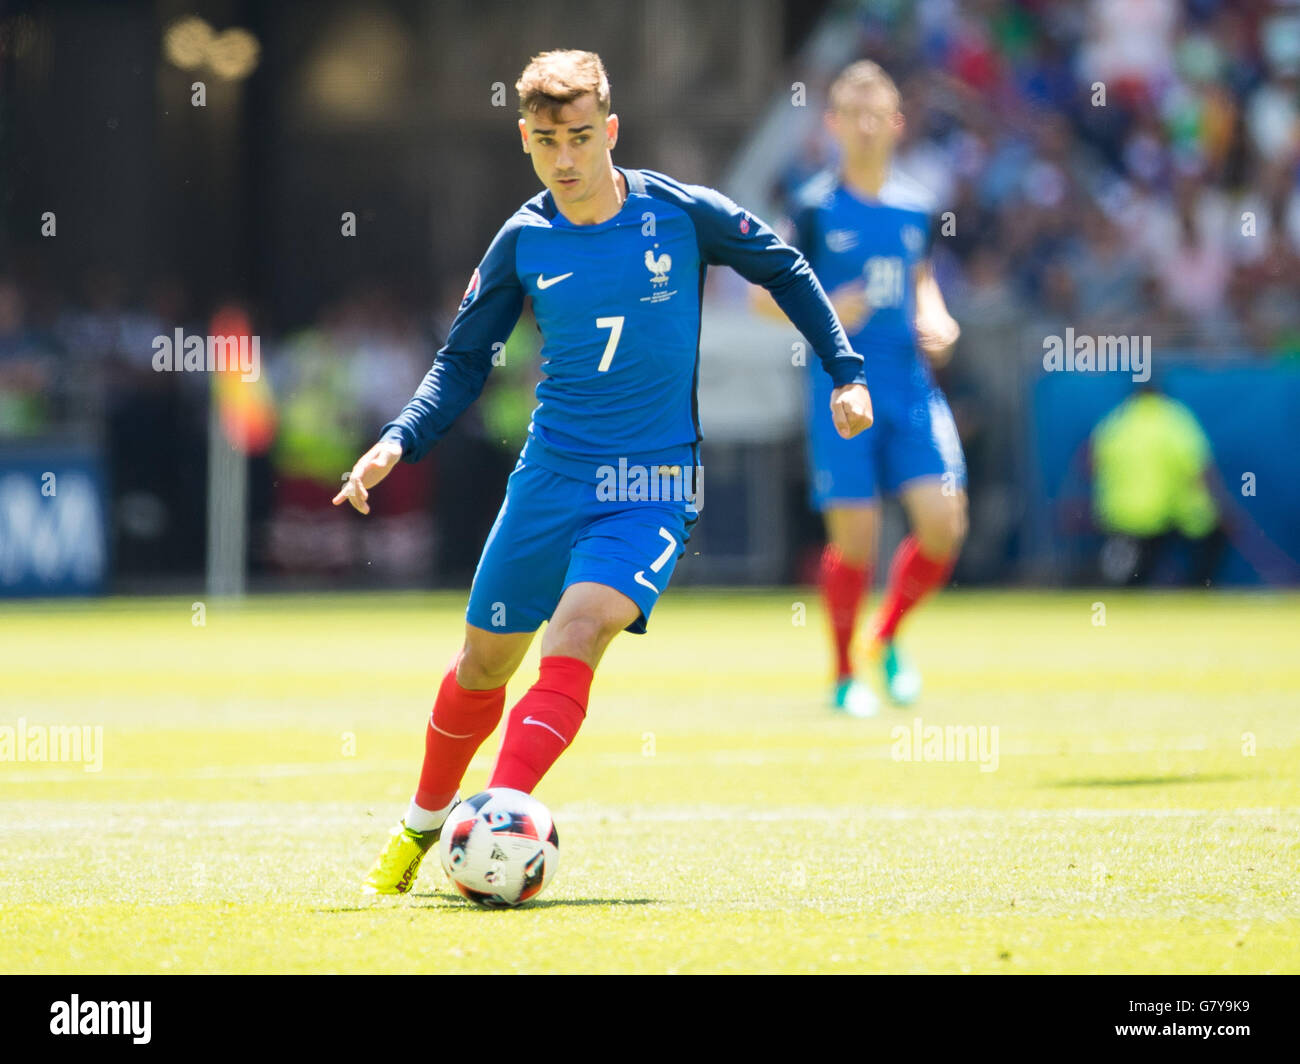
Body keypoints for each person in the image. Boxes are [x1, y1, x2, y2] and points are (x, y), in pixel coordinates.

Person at [333, 50, 874, 894]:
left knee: (577, 632)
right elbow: (464, 360)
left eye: (583, 137)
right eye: (549, 141)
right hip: (550, 476)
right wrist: (398, 438)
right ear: (526, 140)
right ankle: (421, 828)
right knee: (482, 665)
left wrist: (845, 368)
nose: (568, 158)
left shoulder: (680, 215)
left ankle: (500, 818)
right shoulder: (524, 239)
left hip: (652, 483)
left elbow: (785, 266)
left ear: (611, 130)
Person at [758, 61, 967, 716]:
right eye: (856, 117)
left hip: (909, 384)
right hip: (842, 390)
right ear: (835, 125)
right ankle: (844, 674)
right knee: (857, 540)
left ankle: (887, 635)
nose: (869, 129)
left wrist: (937, 315)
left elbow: (922, 279)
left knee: (943, 523)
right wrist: (825, 306)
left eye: (880, 117)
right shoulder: (814, 208)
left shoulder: (916, 206)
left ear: (898, 125)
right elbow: (766, 296)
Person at [1089, 383, 1225, 586]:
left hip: (1120, 514)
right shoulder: (1172, 418)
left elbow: (1092, 463)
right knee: (1204, 550)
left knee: (1131, 575)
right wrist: (1217, 503)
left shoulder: (1115, 421)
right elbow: (1198, 466)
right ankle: (1195, 591)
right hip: (1164, 511)